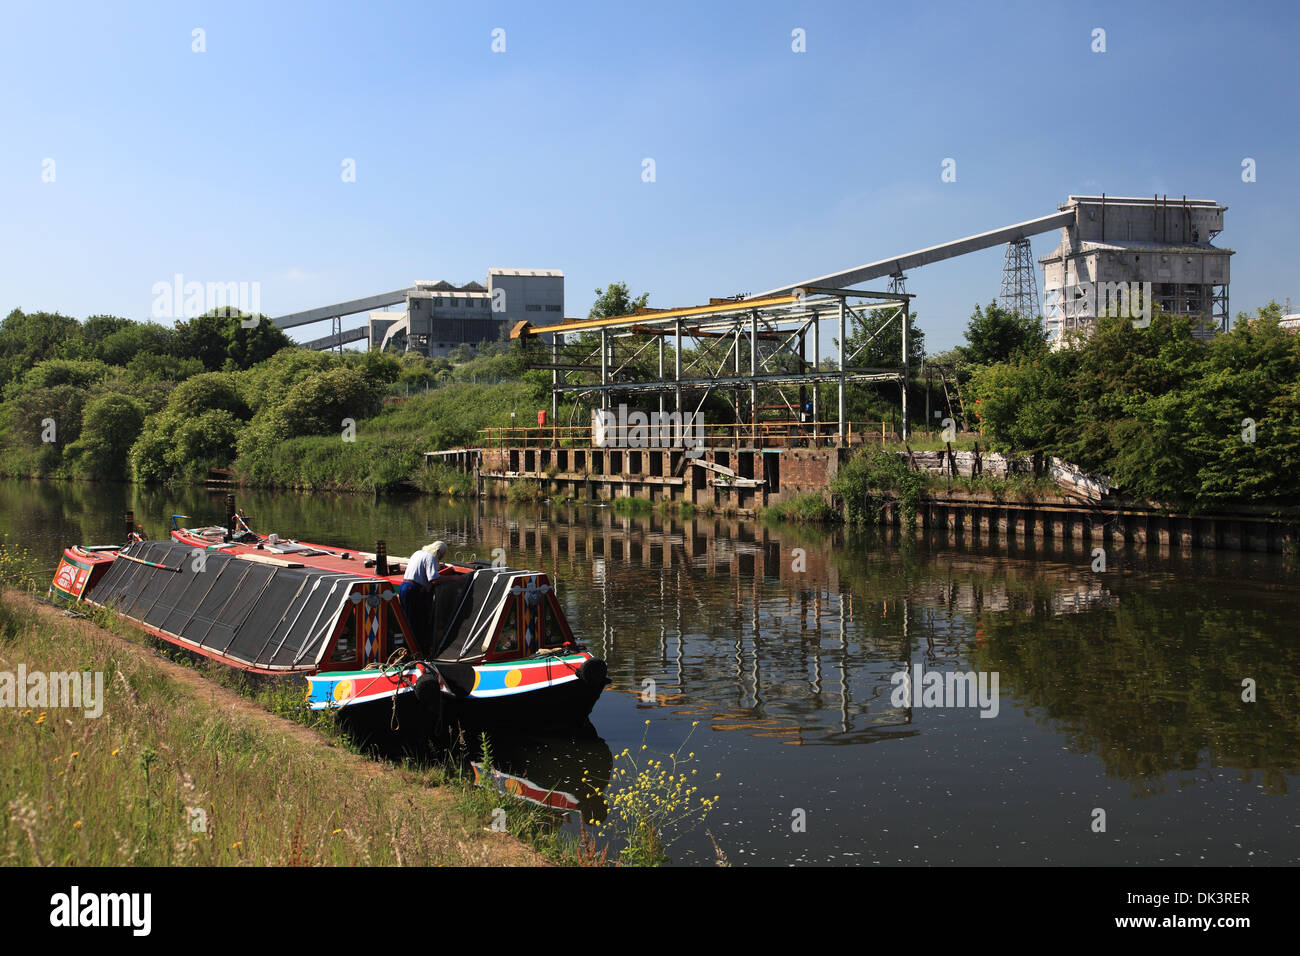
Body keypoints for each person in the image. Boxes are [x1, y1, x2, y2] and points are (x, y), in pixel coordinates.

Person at [399, 541, 446, 636]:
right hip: (414, 590)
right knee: (416, 622)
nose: (440, 559)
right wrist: (454, 578)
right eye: (441, 556)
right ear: (438, 551)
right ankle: (417, 647)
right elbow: (434, 579)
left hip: (404, 587)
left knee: (406, 620)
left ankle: (407, 645)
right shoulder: (430, 557)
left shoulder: (417, 553)